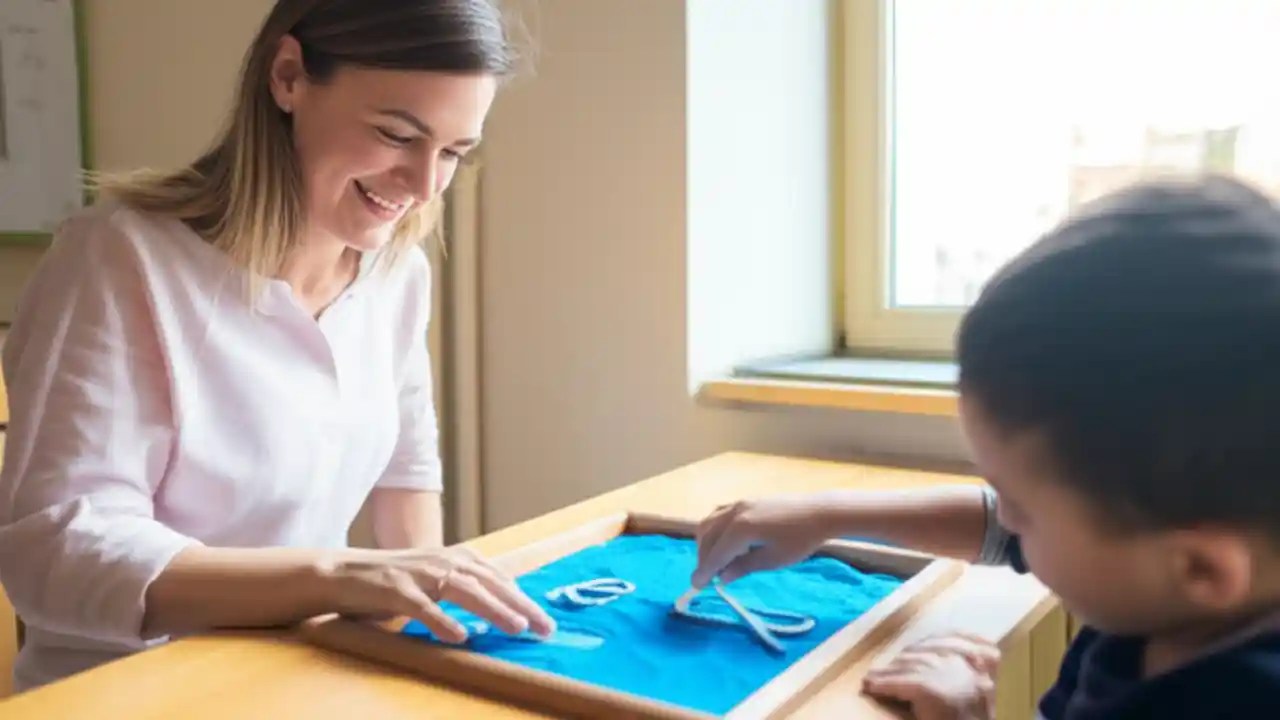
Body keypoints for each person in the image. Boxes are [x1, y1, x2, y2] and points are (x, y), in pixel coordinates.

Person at [0, 0, 553, 693]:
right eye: (396, 134)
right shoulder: (119, 258)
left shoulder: (395, 271)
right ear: (288, 76)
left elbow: (406, 475)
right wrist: (337, 576)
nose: (424, 186)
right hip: (123, 691)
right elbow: (58, 547)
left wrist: (432, 627)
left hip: (300, 678)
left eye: (453, 153)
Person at [692, 177, 1280, 719]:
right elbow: (1007, 533)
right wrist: (830, 514)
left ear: (1200, 568)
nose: (1007, 520)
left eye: (1021, 506)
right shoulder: (1177, 568)